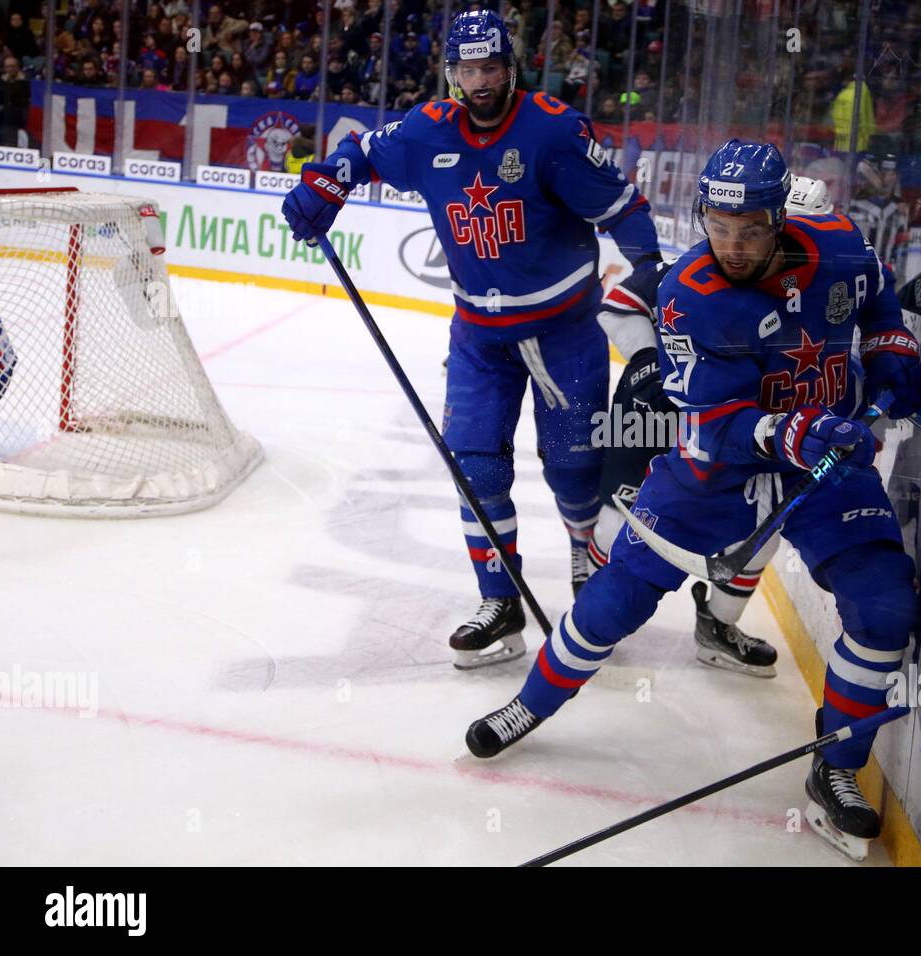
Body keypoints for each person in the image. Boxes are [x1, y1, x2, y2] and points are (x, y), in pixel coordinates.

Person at [464, 140, 921, 862]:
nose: (731, 245)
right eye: (717, 226)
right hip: (717, 470)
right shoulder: (691, 294)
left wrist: (894, 349)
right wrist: (798, 429)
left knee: (885, 606)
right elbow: (714, 424)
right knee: (616, 597)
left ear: (779, 219)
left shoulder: (838, 245)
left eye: (748, 229)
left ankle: (835, 764)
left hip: (827, 466)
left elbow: (880, 294)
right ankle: (535, 701)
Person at [282, 9, 660, 669]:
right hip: (480, 338)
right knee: (475, 466)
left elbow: (623, 209)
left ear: (511, 66)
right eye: (468, 68)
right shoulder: (429, 131)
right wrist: (327, 182)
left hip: (562, 331)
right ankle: (501, 602)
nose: (480, 81)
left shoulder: (553, 132)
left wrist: (652, 279)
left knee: (574, 471)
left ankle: (582, 553)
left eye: (491, 67)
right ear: (451, 71)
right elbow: (364, 153)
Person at [588, 175, 835, 679]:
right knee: (624, 520)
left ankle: (717, 626)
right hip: (658, 415)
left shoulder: (815, 284)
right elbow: (618, 307)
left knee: (763, 533)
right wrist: (656, 367)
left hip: (740, 431)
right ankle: (592, 613)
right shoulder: (699, 272)